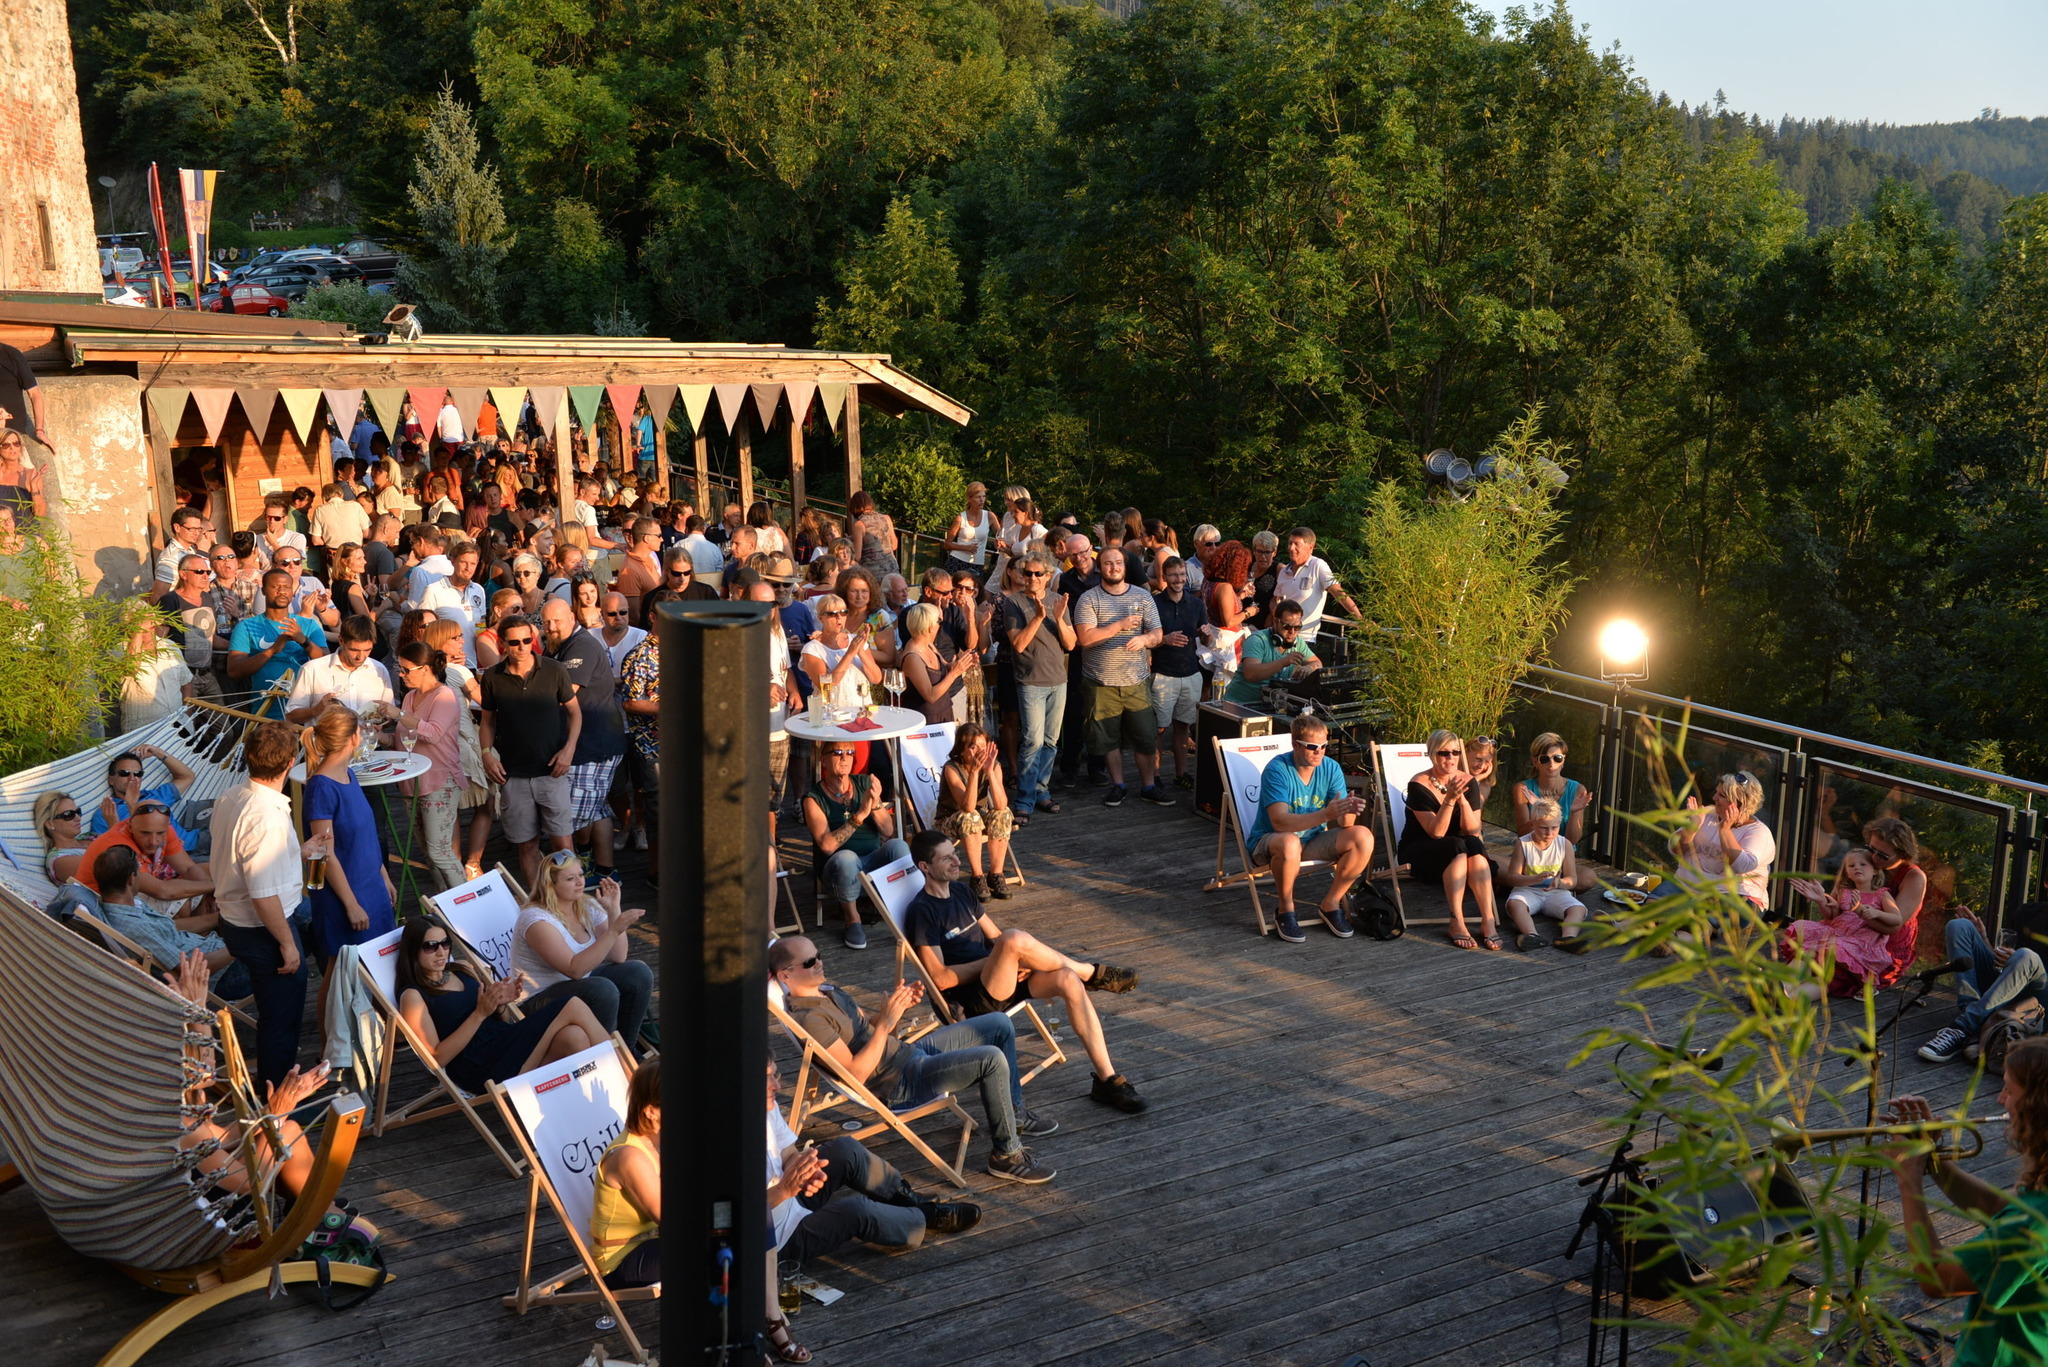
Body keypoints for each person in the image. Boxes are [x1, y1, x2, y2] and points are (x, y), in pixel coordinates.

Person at [770, 936, 1058, 1184]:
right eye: (809, 963)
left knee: (998, 1023)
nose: (819, 963)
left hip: (909, 1054)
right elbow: (854, 1075)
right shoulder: (810, 1018)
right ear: (785, 975)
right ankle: (1005, 1155)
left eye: (818, 956)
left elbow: (867, 1029)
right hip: (899, 1083)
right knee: (991, 1059)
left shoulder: (829, 991)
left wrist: (891, 1010)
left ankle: (1015, 1112)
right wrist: (886, 1025)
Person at [903, 829, 1147, 1114]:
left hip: (1001, 981)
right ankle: (1091, 972)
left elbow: (993, 936)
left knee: (1066, 979)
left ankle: (1107, 1080)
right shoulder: (922, 912)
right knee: (1013, 940)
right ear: (925, 867)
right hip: (974, 1001)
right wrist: (1003, 958)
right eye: (947, 859)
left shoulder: (960, 891)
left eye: (955, 854)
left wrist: (1013, 962)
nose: (957, 862)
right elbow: (941, 978)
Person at [1881, 1041, 2048, 1363]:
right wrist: (1932, 1160)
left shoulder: (2034, 1225)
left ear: (2039, 1107)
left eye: (2009, 1091)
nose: (2000, 1100)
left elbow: (1936, 1279)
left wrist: (1908, 1180)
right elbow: (1995, 1206)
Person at [210, 721, 322, 1089]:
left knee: (326, 935)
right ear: (291, 763)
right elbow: (262, 894)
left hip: (239, 918)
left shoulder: (230, 797)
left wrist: (296, 853)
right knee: (281, 1019)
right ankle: (277, 1097)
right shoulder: (267, 817)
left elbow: (246, 861)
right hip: (263, 928)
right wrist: (287, 944)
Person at [392, 917, 604, 1095]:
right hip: (479, 1066)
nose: (441, 952)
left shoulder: (462, 968)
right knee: (571, 1004)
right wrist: (479, 1014)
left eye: (445, 943)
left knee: (574, 1037)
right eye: (431, 946)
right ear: (414, 951)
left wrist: (500, 1004)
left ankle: (585, 1104)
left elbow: (496, 1019)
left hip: (503, 1041)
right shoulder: (413, 995)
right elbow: (436, 1059)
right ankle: (631, 1076)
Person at [1242, 714, 1375, 943]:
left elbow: (1346, 825)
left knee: (1363, 837)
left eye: (1324, 746)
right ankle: (1285, 909)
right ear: (1295, 744)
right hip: (1270, 842)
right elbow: (1280, 823)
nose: (1319, 752)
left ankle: (1331, 903)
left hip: (1310, 841)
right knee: (1289, 841)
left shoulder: (1330, 768)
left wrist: (1347, 808)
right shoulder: (1277, 769)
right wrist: (1326, 814)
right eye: (1312, 746)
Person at [479, 614, 582, 891]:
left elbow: (575, 712)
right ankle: (540, 902)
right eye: (515, 642)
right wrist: (486, 754)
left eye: (528, 640)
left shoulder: (555, 670)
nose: (523, 647)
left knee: (563, 844)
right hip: (514, 775)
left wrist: (568, 750)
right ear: (502, 644)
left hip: (552, 771)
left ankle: (570, 901)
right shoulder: (491, 677)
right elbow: (487, 720)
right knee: (527, 844)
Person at [512, 852, 654, 1050]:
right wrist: (613, 931)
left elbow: (618, 956)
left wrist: (614, 910)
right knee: (602, 990)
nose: (580, 882)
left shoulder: (585, 904)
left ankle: (627, 1050)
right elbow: (574, 970)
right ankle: (605, 1055)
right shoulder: (536, 920)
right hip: (536, 1001)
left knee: (637, 973)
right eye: (570, 879)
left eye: (580, 875)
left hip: (578, 985)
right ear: (550, 885)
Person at [301, 705, 398, 971]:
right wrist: (351, 904)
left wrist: (384, 876)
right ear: (354, 737)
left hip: (370, 886)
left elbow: (365, 836)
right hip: (345, 894)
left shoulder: (349, 774)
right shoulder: (321, 787)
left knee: (381, 969)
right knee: (341, 975)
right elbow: (325, 853)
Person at [1073, 547, 1167, 809]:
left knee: (1146, 737)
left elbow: (1158, 634)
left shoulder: (1142, 597)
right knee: (1108, 739)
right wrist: (1119, 626)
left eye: (1117, 563)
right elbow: (1086, 639)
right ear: (1098, 567)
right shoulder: (1088, 599)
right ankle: (1119, 785)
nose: (1113, 567)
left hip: (1136, 681)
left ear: (1125, 566)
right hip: (1101, 682)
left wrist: (1146, 639)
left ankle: (1149, 786)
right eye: (1107, 563)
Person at [542, 597, 628, 884]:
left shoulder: (581, 646)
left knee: (570, 819)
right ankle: (605, 871)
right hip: (592, 743)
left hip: (594, 746)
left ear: (572, 618)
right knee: (597, 810)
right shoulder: (559, 645)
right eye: (547, 622)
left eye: (557, 621)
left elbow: (564, 694)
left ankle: (578, 872)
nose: (552, 627)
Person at [1399, 729, 1500, 951]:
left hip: (1457, 847)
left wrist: (1462, 798)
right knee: (1457, 846)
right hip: (1419, 849)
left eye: (1455, 752)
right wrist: (1450, 799)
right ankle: (1457, 921)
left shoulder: (1467, 780)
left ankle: (1488, 921)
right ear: (1433, 754)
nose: (1451, 758)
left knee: (1472, 844)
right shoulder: (1418, 784)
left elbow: (1473, 830)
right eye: (1444, 753)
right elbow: (1436, 832)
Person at [802, 739, 906, 951]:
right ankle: (853, 919)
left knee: (898, 846)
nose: (845, 757)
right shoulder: (813, 799)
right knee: (846, 857)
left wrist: (875, 804)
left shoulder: (864, 783)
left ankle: (907, 909)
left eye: (850, 752)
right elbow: (827, 846)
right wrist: (859, 816)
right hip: (837, 869)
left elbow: (887, 831)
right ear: (823, 760)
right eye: (838, 752)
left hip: (872, 860)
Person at [92, 843, 240, 989]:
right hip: (224, 972)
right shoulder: (134, 927)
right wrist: (241, 945)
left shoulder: (128, 906)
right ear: (132, 879)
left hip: (216, 949)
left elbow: (169, 927)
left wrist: (219, 918)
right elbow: (188, 970)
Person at [390, 641, 470, 892]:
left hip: (440, 780)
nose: (401, 675)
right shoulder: (411, 696)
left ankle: (468, 902)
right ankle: (447, 904)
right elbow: (404, 738)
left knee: (440, 851)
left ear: (424, 668)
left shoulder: (445, 695)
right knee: (428, 851)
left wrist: (397, 715)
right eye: (400, 669)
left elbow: (433, 734)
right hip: (412, 781)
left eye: (406, 670)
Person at [1005, 551, 1074, 818]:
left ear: (1047, 576)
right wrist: (1036, 617)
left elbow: (1071, 644)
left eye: (1037, 574)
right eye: (1027, 573)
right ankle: (1024, 798)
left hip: (1058, 680)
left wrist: (1057, 618)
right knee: (1032, 741)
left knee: (1050, 741)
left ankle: (1041, 790)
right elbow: (1019, 644)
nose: (1031, 578)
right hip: (1030, 682)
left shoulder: (1058, 601)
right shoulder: (1014, 603)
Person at [1781, 846, 1903, 997]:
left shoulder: (1881, 894)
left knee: (1832, 953)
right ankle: (1782, 984)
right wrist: (1821, 901)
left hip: (1861, 940)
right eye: (1851, 866)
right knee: (1807, 948)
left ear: (1876, 870)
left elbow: (1897, 918)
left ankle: (1788, 995)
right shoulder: (1845, 892)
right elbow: (1832, 916)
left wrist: (1876, 912)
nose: (1857, 867)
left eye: (1863, 864)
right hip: (1837, 932)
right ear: (1848, 873)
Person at [933, 724, 1016, 900]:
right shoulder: (952, 768)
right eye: (974, 747)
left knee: (1003, 814)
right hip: (950, 820)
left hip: (979, 817)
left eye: (983, 747)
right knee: (970, 818)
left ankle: (996, 875)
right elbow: (967, 807)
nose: (980, 752)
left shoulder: (994, 766)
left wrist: (990, 772)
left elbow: (1001, 804)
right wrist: (975, 772)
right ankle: (977, 877)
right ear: (962, 750)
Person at [228, 568, 329, 713]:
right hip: (265, 712)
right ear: (263, 591)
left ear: (292, 592)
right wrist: (272, 650)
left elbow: (326, 662)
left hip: (303, 712)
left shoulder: (309, 625)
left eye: (287, 587)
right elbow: (234, 671)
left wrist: (304, 641)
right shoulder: (246, 627)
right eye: (275, 587)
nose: (282, 591)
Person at [1501, 797, 1590, 953]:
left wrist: (1560, 883)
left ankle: (1568, 938)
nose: (1549, 833)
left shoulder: (1564, 844)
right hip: (1528, 890)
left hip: (1555, 891)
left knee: (1578, 908)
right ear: (1532, 825)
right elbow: (1511, 878)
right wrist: (1533, 879)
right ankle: (1531, 935)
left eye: (1554, 828)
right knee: (1515, 904)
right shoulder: (1523, 844)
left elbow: (1573, 879)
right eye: (1543, 828)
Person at [1511, 731, 1598, 890]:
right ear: (1535, 762)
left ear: (1563, 761)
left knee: (1588, 878)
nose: (1551, 764)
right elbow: (1523, 834)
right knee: (1492, 866)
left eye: (1557, 758)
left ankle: (1539, 884)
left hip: (1562, 860)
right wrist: (1540, 809)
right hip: (1531, 858)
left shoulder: (1577, 790)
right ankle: (1543, 884)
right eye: (1545, 759)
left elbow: (1572, 840)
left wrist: (1574, 812)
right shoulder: (1523, 789)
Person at [1149, 555, 1207, 790]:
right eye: (1173, 575)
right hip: (1163, 674)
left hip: (1190, 672)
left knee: (1183, 726)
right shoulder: (1154, 603)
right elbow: (1146, 640)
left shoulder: (1196, 604)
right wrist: (1165, 639)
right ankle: (1154, 776)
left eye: (1182, 574)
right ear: (1165, 577)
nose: (1179, 579)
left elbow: (1206, 639)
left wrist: (1206, 633)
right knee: (1159, 729)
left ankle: (1181, 774)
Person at [284, 614, 393, 723]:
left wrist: (382, 724)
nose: (360, 657)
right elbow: (291, 716)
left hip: (368, 739)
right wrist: (316, 710)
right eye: (354, 650)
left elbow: (390, 715)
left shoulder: (379, 670)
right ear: (341, 640)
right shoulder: (312, 669)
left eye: (367, 650)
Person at [90, 744, 200, 848]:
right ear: (111, 780)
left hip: (198, 841)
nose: (132, 778)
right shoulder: (107, 812)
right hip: (170, 858)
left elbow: (187, 777)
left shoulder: (154, 795)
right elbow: (108, 849)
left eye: (138, 774)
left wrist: (158, 752)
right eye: (125, 773)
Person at [1223, 597, 1320, 705]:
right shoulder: (1258, 640)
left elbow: (1318, 663)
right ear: (1275, 621)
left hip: (1269, 704)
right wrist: (1283, 662)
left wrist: (1309, 667)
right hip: (1239, 704)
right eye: (1287, 626)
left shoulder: (1298, 642)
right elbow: (1250, 674)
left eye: (1297, 627)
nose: (1292, 632)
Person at [798, 593, 882, 713]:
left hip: (862, 713)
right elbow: (828, 687)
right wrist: (850, 654)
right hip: (830, 715)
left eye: (843, 613)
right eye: (832, 614)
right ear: (820, 618)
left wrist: (860, 651)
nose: (839, 618)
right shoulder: (812, 649)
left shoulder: (856, 640)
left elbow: (876, 678)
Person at [157, 554, 224, 702]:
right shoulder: (170, 600)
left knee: (223, 722)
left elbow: (211, 636)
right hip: (185, 676)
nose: (205, 576)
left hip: (207, 673)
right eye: (199, 571)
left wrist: (242, 646)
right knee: (187, 722)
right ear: (183, 574)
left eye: (207, 572)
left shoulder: (207, 598)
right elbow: (159, 638)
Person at [1272, 526, 1360, 639]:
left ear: (1310, 547)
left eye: (1296, 544)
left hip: (1303, 638)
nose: (1291, 548)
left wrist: (1359, 618)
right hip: (1280, 636)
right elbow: (1276, 600)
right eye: (1290, 543)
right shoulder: (1284, 571)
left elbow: (1338, 593)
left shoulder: (1318, 566)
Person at [900, 602, 971, 725]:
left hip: (944, 712)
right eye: (938, 622)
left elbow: (945, 667)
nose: (940, 625)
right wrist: (954, 673)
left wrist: (961, 663)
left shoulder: (929, 645)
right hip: (926, 721)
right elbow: (930, 696)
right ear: (929, 627)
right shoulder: (912, 657)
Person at [1199, 540, 1252, 699]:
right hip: (1226, 644)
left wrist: (1240, 596)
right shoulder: (1224, 587)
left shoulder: (1208, 581)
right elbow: (1228, 620)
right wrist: (1249, 612)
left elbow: (1217, 606)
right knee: (1223, 692)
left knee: (1208, 687)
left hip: (1213, 638)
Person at [33, 790, 90, 885]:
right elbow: (111, 868)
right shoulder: (60, 861)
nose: (78, 818)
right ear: (50, 823)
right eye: (69, 815)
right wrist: (113, 825)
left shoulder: (87, 837)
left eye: (78, 812)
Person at [942, 481, 995, 579]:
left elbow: (1001, 535)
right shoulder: (960, 518)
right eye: (978, 497)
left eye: (983, 496)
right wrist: (965, 547)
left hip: (977, 563)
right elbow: (947, 544)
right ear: (970, 498)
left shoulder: (989, 516)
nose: (982, 500)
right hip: (957, 561)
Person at [154, 507, 215, 588]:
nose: (196, 533)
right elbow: (160, 596)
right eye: (192, 529)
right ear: (177, 528)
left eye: (199, 529)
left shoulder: (190, 550)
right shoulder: (171, 558)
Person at [847, 489, 899, 580]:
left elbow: (857, 556)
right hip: (892, 569)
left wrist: (851, 542)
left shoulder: (859, 525)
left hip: (873, 574)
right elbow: (894, 545)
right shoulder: (886, 518)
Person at [0, 427, 46, 525]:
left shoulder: (30, 474)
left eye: (16, 443)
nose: (12, 448)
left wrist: (34, 487)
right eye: (6, 445)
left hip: (25, 533)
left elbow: (40, 513)